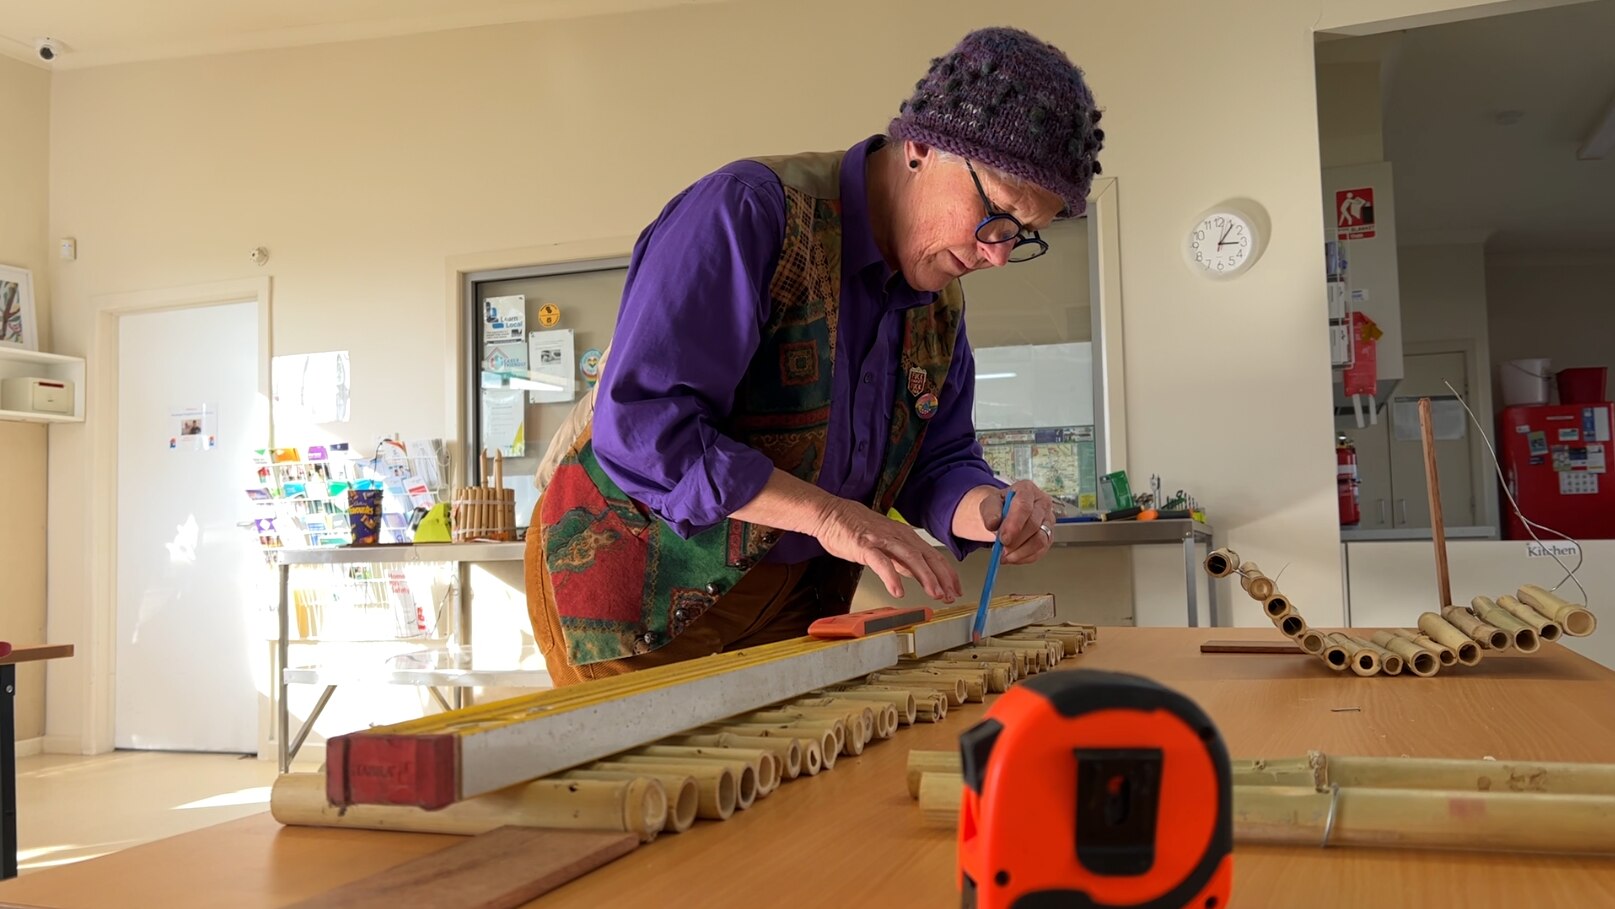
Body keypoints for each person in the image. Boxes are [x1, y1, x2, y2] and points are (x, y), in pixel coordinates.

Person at [526, 26, 1105, 686]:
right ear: (921, 145)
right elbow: (646, 430)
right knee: (655, 788)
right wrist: (830, 515)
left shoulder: (938, 298)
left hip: (801, 599)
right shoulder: (749, 212)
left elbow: (936, 460)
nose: (997, 254)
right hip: (637, 600)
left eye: (1021, 235)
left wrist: (990, 509)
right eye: (995, 214)